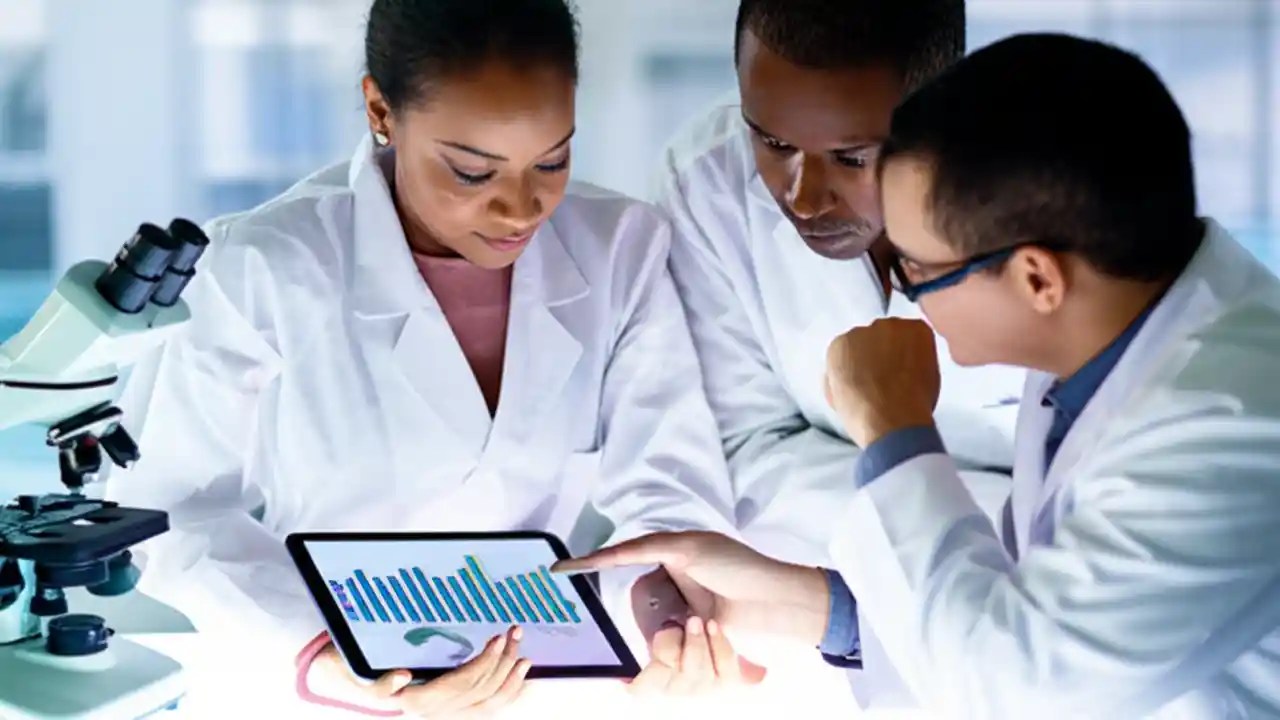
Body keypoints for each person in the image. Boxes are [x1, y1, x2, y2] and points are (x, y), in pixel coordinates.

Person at [559, 33, 1280, 719]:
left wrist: (894, 428)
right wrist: (792, 603)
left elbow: (1015, 693)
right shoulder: (1105, 359)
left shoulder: (1225, 428)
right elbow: (1014, 618)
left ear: (1037, 278)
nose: (899, 290)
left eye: (916, 268)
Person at [105, 0, 747, 716]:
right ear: (380, 110)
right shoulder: (263, 266)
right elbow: (161, 510)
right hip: (326, 684)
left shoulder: (621, 248)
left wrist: (665, 614)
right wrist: (329, 661)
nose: (521, 209)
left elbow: (666, 480)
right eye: (473, 172)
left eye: (552, 160)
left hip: (540, 679)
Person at [656, 0, 1023, 572]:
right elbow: (742, 458)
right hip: (814, 582)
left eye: (850, 159)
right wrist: (957, 520)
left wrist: (947, 526)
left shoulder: (1057, 210)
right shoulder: (708, 181)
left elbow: (1096, 498)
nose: (803, 199)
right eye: (773, 145)